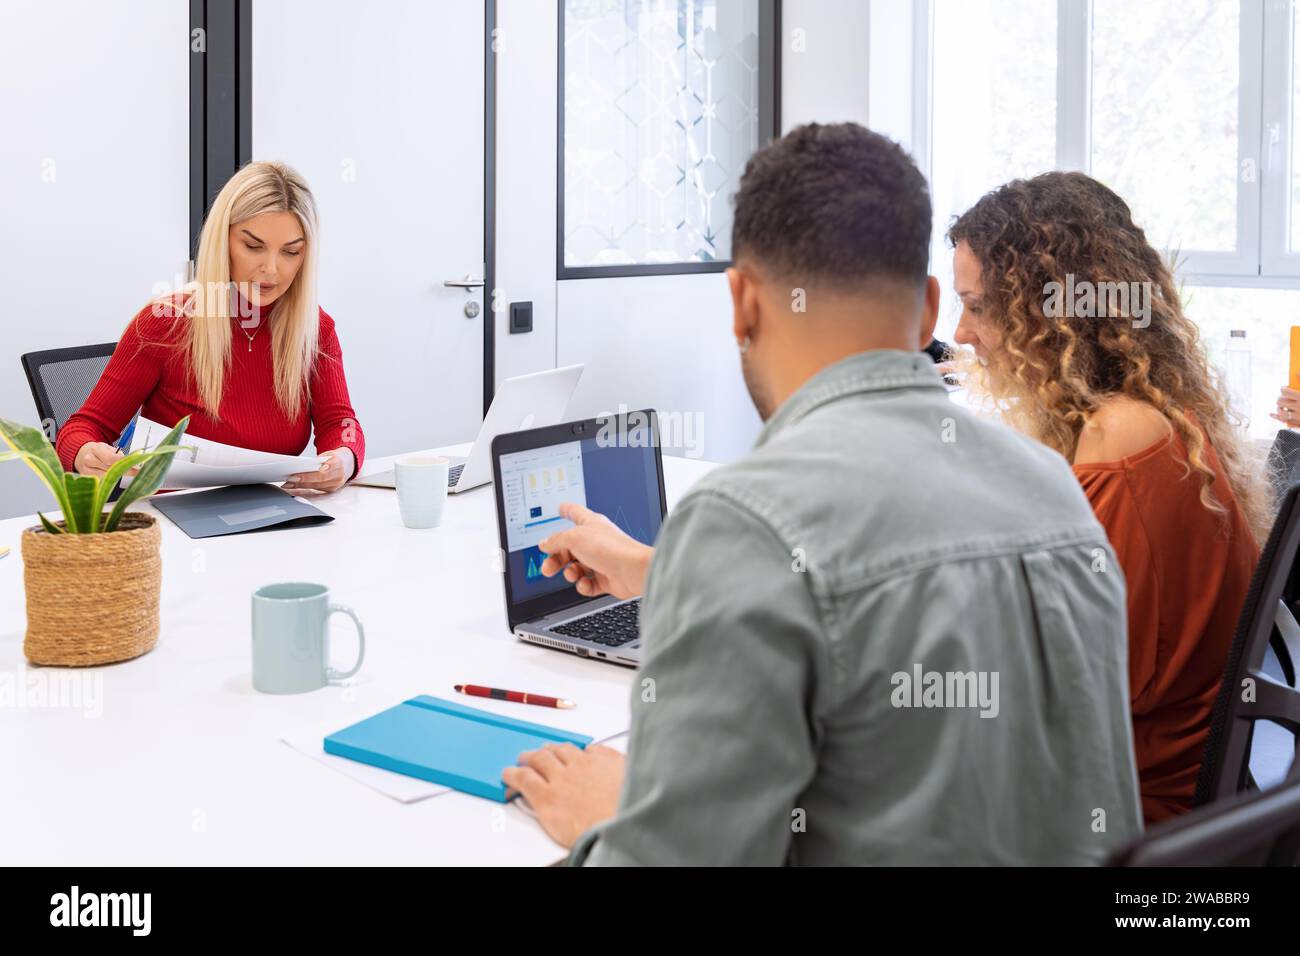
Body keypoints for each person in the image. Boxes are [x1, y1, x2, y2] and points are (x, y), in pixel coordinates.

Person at [500, 123, 1142, 865]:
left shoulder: (744, 522)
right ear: (931, 309)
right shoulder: (1054, 493)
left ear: (740, 302)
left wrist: (612, 822)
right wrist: (665, 569)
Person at [946, 171, 1266, 823]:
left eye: (977, 306)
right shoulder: (1159, 416)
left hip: (1127, 817)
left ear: (1048, 311)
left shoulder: (1118, 442)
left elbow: (1060, 696)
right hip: (1188, 801)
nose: (963, 332)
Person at [55, 161, 365, 496]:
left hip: (269, 519)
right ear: (223, 240)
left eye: (291, 252)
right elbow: (82, 428)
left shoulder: (315, 330)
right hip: (172, 525)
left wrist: (344, 460)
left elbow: (341, 424)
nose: (271, 269)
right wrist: (86, 453)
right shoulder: (164, 322)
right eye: (253, 246)